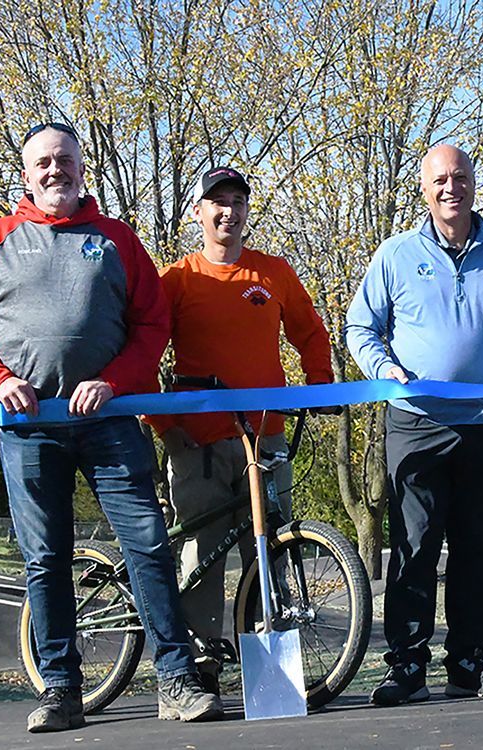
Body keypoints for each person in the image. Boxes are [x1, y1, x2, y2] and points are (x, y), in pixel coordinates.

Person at [0, 123, 222, 733]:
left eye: (64, 159)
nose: (54, 171)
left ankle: (177, 679)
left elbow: (152, 326)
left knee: (147, 544)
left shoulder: (118, 239)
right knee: (46, 558)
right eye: (42, 161)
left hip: (110, 422)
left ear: (81, 166)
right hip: (28, 427)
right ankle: (62, 691)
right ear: (25, 173)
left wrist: (114, 381)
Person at [345, 144, 483, 705]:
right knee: (413, 547)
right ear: (424, 189)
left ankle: (467, 663)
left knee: (478, 546)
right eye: (439, 179)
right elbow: (361, 329)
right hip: (415, 424)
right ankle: (406, 666)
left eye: (460, 177)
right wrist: (385, 370)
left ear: (474, 185)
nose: (450, 187)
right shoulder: (393, 256)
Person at [145, 166, 335, 695]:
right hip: (197, 443)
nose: (228, 210)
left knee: (269, 546)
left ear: (248, 210)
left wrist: (318, 384)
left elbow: (310, 331)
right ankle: (197, 667)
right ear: (200, 212)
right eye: (217, 202)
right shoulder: (177, 280)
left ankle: (267, 666)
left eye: (237, 200)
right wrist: (164, 426)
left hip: (267, 438)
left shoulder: (273, 273)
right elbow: (143, 353)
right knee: (201, 553)